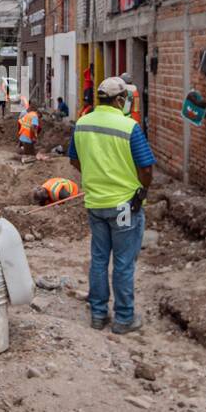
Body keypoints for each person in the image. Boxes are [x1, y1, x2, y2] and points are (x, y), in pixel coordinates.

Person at [69, 77, 154, 333]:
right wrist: (142, 190)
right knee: (124, 262)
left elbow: (74, 160)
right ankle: (124, 318)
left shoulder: (82, 124)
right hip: (125, 207)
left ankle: (98, 314)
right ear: (120, 100)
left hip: (95, 203)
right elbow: (146, 167)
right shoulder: (129, 127)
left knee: (98, 258)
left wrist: (95, 176)